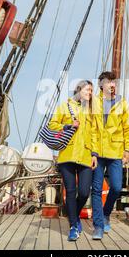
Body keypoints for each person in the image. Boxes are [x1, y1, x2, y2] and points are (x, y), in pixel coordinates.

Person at [48, 80, 97, 241]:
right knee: (70, 191)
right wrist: (69, 125)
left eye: (91, 91)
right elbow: (52, 124)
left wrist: (95, 154)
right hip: (67, 155)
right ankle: (74, 226)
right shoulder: (64, 106)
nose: (89, 93)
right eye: (87, 90)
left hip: (85, 155)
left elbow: (96, 134)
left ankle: (73, 216)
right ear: (79, 90)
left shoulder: (92, 111)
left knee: (84, 192)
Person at [90, 71, 129, 240]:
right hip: (97, 152)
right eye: (109, 81)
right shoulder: (93, 103)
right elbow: (91, 128)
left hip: (116, 151)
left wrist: (128, 149)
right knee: (96, 189)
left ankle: (106, 213)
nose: (112, 84)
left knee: (116, 187)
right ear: (101, 84)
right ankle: (98, 226)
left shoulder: (122, 103)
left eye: (114, 81)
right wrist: (92, 152)